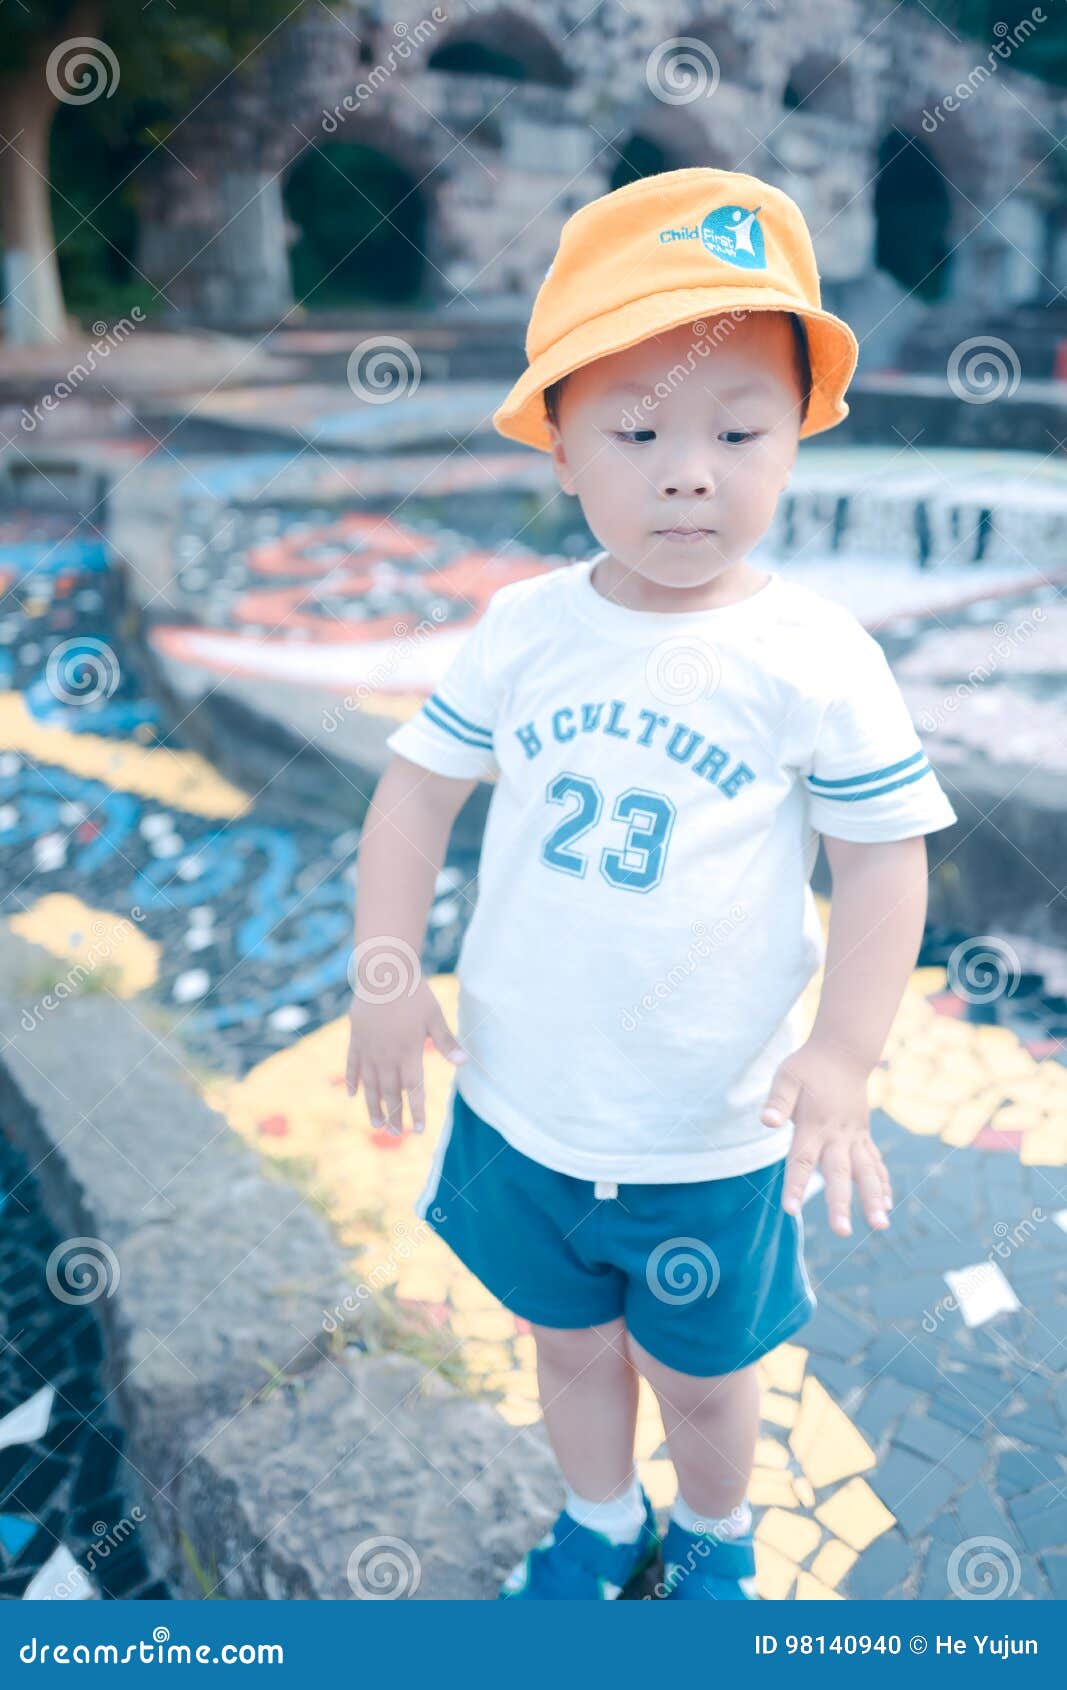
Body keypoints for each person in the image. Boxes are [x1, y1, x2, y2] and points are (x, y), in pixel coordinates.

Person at [345, 168, 958, 1600]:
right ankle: (599, 1518)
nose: (691, 468)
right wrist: (385, 966)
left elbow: (882, 860)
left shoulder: (815, 655)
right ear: (559, 445)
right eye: (636, 430)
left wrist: (845, 1053)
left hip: (710, 1125)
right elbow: (416, 790)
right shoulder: (525, 630)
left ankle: (720, 1541)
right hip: (524, 1103)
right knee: (567, 1347)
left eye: (740, 428)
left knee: (702, 1375)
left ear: (798, 438)